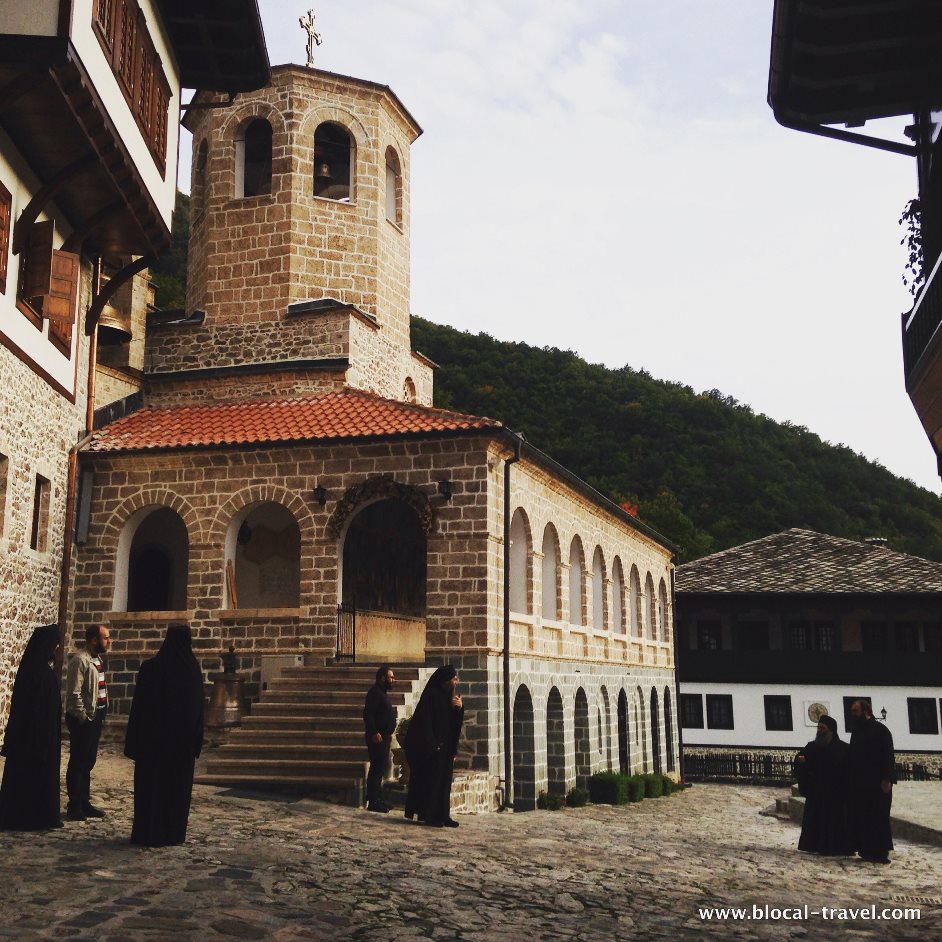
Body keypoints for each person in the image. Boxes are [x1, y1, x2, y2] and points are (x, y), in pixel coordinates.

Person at [124, 624, 205, 847]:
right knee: (176, 793)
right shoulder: (192, 671)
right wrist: (196, 741)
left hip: (153, 746)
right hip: (181, 749)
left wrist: (135, 743)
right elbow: (198, 710)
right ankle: (173, 833)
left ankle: (148, 832)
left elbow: (139, 709)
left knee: (152, 791)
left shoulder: (151, 669)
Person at [0, 625, 63, 830]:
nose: (55, 649)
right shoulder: (37, 674)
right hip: (34, 739)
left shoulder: (38, 671)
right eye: (54, 645)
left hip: (40, 737)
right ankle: (30, 817)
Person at [404, 665, 464, 827]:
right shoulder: (431, 695)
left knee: (444, 783)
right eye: (453, 679)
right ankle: (430, 815)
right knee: (432, 782)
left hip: (445, 748)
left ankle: (443, 815)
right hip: (433, 749)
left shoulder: (447, 696)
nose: (456, 681)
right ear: (446, 680)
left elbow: (452, 724)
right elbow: (424, 723)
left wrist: (459, 709)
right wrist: (433, 745)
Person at [65, 623, 111, 821]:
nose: (109, 641)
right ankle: (74, 805)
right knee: (78, 761)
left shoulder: (97, 659)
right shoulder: (80, 660)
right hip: (83, 719)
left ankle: (84, 801)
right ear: (94, 640)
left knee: (88, 761)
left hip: (95, 716)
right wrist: (82, 716)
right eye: (105, 638)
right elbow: (74, 692)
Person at [793, 715, 852, 855]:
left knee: (834, 823)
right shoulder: (812, 747)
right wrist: (801, 761)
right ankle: (814, 845)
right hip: (816, 792)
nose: (819, 731)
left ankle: (835, 847)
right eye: (818, 728)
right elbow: (800, 760)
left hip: (835, 793)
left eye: (823, 728)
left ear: (831, 730)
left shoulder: (843, 748)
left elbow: (848, 770)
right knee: (816, 820)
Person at [848, 698, 896, 864]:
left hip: (878, 783)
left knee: (879, 817)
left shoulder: (881, 730)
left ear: (865, 711)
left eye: (855, 711)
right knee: (864, 816)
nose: (853, 714)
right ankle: (866, 850)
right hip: (861, 784)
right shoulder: (857, 731)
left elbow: (888, 755)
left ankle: (881, 852)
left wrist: (887, 778)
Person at [363, 665, 396, 813]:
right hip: (377, 738)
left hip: (384, 738)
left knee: (381, 768)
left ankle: (379, 798)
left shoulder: (382, 693)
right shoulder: (374, 693)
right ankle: (373, 800)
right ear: (382, 678)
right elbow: (368, 714)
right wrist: (374, 732)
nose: (393, 680)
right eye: (391, 677)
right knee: (376, 769)